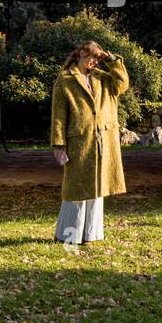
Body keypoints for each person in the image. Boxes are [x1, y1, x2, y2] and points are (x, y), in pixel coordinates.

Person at [49, 40, 130, 245]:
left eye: (97, 57)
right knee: (75, 189)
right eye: (90, 56)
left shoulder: (103, 78)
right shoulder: (65, 79)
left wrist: (112, 61)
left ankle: (89, 235)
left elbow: (123, 84)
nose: (94, 61)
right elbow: (59, 114)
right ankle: (67, 236)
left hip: (103, 141)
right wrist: (59, 144)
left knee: (97, 188)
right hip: (79, 142)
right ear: (79, 55)